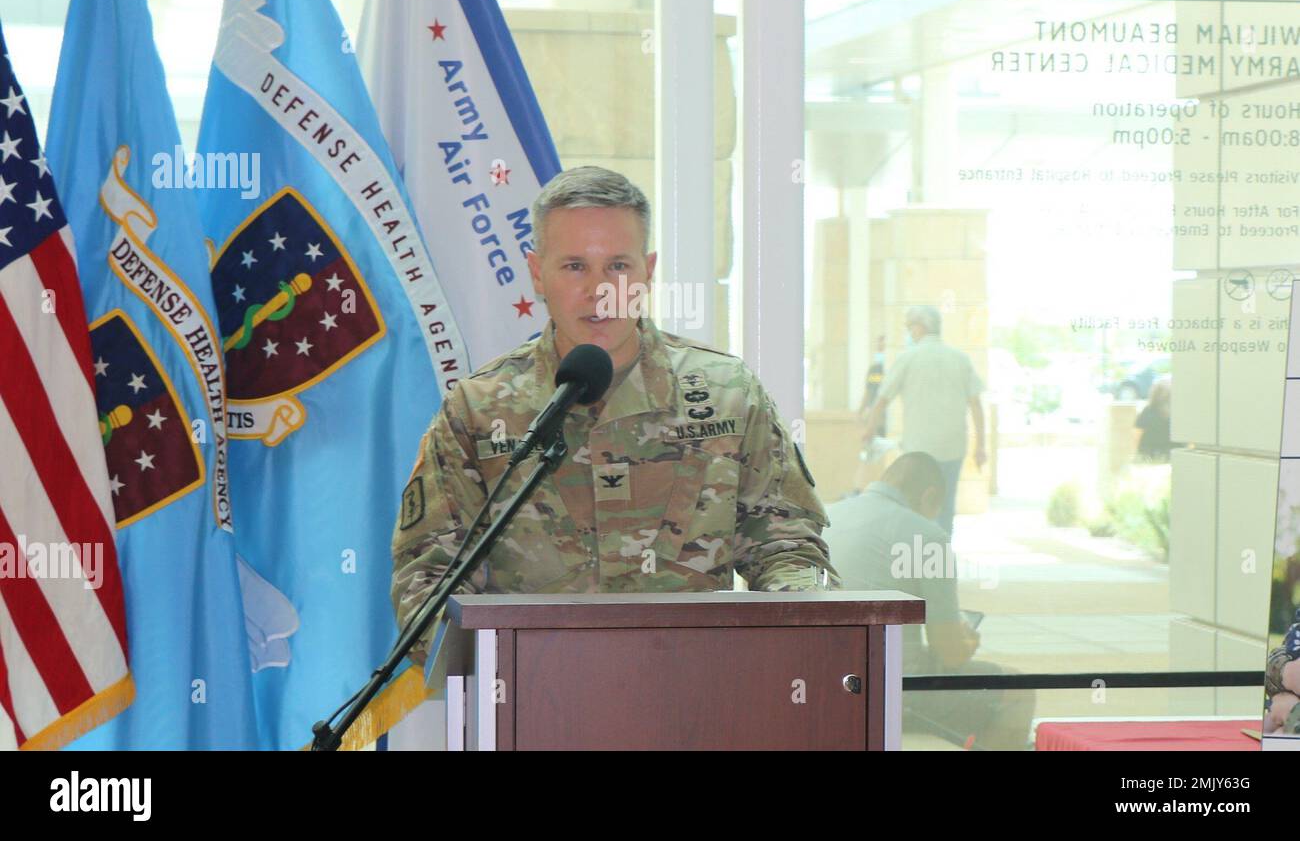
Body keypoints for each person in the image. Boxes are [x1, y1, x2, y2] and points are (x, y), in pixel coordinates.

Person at [392, 166, 839, 662]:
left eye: (619, 266)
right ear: (537, 273)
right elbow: (428, 576)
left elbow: (788, 549)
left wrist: (795, 640)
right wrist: (504, 671)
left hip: (695, 696)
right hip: (533, 705)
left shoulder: (727, 395)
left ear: (648, 270)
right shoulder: (479, 409)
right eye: (575, 266)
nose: (600, 289)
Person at [823, 452, 1035, 750]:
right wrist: (967, 641)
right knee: (1017, 691)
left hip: (826, 686)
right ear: (930, 496)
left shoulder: (826, 518)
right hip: (894, 693)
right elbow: (949, 653)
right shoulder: (927, 536)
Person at [860, 305, 985, 535]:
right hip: (952, 447)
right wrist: (981, 446)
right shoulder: (960, 359)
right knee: (945, 508)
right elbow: (976, 404)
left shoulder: (907, 358)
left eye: (910, 327)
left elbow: (882, 399)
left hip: (919, 449)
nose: (909, 332)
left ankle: (916, 563)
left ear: (920, 327)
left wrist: (869, 428)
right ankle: (942, 558)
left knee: (914, 507)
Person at [1134, 377, 1171, 462]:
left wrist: (1135, 453)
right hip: (1171, 457)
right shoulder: (1177, 414)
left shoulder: (1147, 411)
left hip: (1148, 456)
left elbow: (1136, 434)